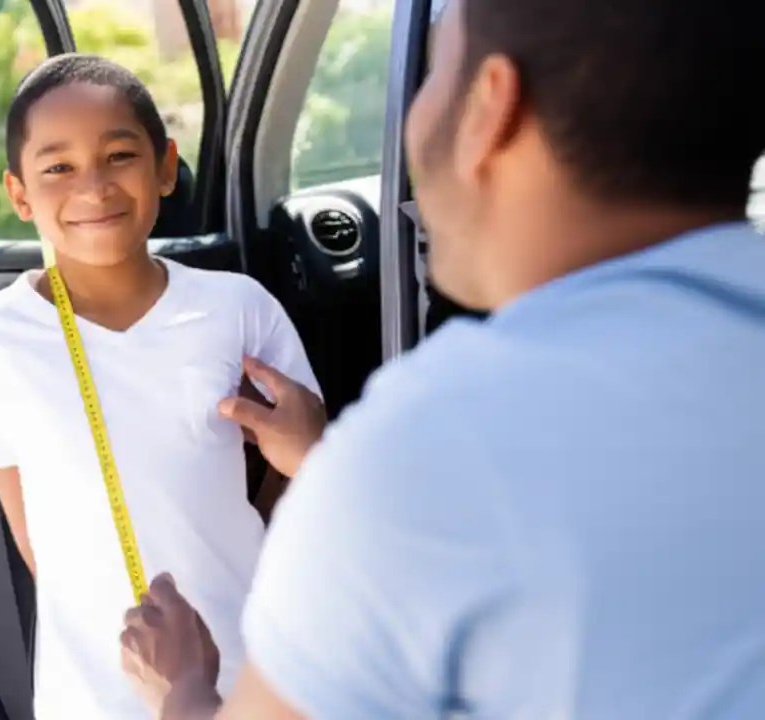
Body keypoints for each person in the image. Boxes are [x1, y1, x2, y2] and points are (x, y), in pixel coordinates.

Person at [119, 0, 765, 717]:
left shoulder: (433, 444)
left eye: (429, 74)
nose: (412, 121)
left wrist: (181, 687)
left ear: (492, 104)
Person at [0, 54, 322, 719]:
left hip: (259, 665)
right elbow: (32, 539)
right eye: (57, 167)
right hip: (94, 689)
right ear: (19, 194)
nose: (94, 186)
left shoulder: (238, 308)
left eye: (119, 155)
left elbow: (305, 472)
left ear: (166, 167)